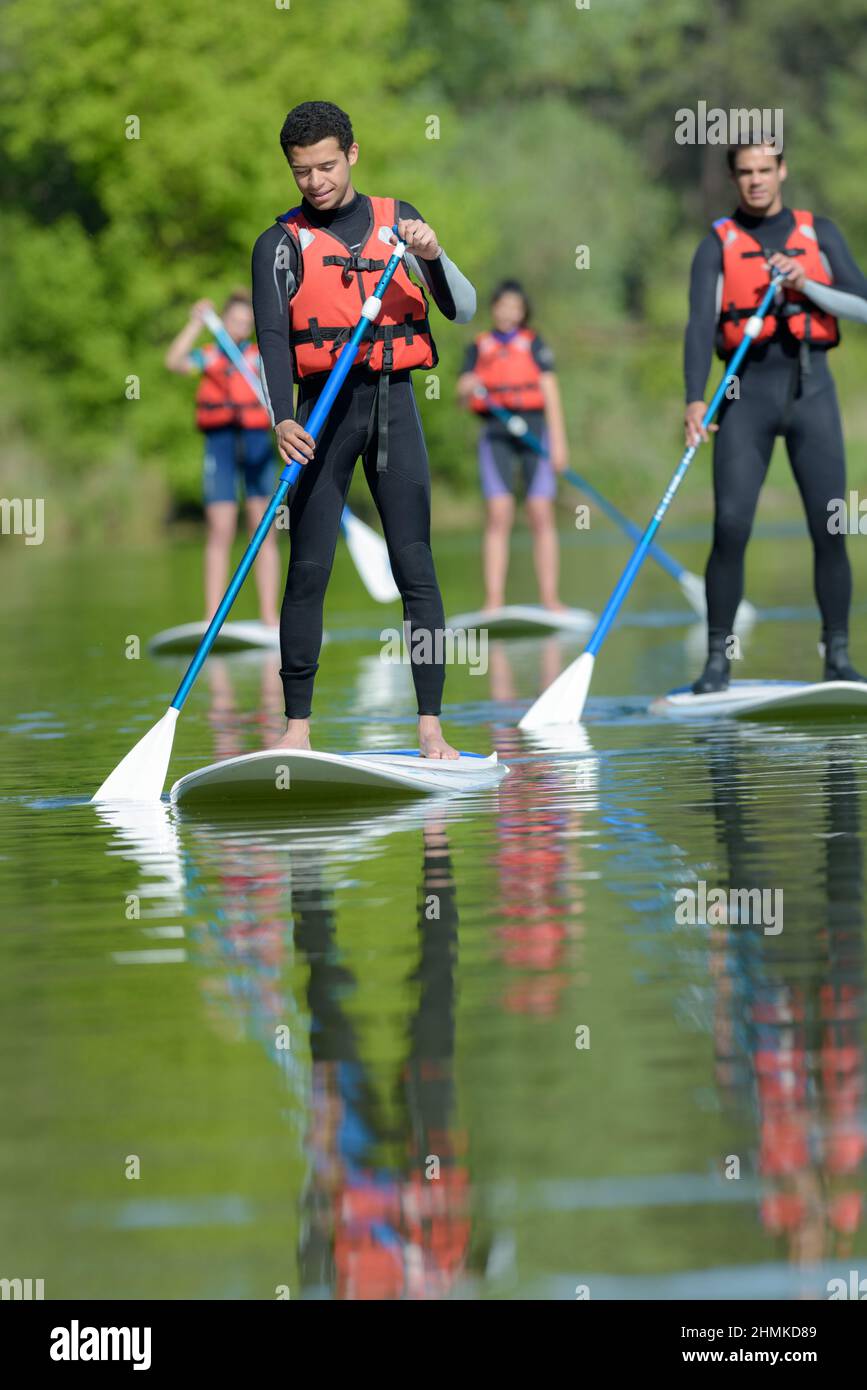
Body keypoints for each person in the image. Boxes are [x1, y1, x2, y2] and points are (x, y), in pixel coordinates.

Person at [251, 100, 476, 758]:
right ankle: (296, 732)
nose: (315, 181)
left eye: (325, 165)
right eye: (301, 172)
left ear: (351, 153)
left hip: (392, 405)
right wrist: (282, 417)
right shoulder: (280, 245)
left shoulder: (397, 223)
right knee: (309, 570)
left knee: (416, 567)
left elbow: (459, 308)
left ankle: (430, 729)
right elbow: (270, 340)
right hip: (318, 415)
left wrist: (433, 257)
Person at [684, 143, 867, 692]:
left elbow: (863, 304)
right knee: (731, 526)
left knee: (829, 528)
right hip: (745, 394)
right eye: (746, 172)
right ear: (734, 178)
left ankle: (837, 658)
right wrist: (696, 398)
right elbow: (698, 326)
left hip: (813, 392)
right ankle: (717, 664)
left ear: (783, 170)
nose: (756, 181)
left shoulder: (819, 233)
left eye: (766, 170)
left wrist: (805, 284)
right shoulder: (716, 243)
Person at [165, 290, 280, 627]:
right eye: (235, 321)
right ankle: (212, 616)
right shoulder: (212, 355)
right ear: (224, 321)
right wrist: (195, 323)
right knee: (220, 529)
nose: (240, 327)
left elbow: (283, 393)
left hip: (257, 441)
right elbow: (173, 362)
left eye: (247, 323)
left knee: (263, 531)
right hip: (221, 443)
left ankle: (269, 617)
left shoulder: (260, 359)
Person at [457, 282, 569, 612]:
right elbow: (462, 399)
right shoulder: (478, 347)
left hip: (534, 429)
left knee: (540, 511)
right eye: (502, 305)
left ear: (523, 312)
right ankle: (493, 601)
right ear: (493, 308)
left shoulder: (535, 345)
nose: (508, 312)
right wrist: (467, 388)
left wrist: (559, 444)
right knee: (499, 512)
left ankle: (550, 599)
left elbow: (551, 393)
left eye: (515, 307)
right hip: (495, 432)